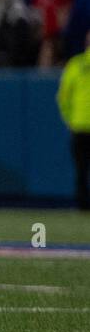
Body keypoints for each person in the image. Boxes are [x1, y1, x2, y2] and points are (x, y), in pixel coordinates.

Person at [57, 31, 90, 210]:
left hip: (78, 126)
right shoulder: (75, 65)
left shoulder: (76, 65)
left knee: (81, 170)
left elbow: (63, 96)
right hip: (79, 125)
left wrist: (69, 119)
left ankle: (83, 206)